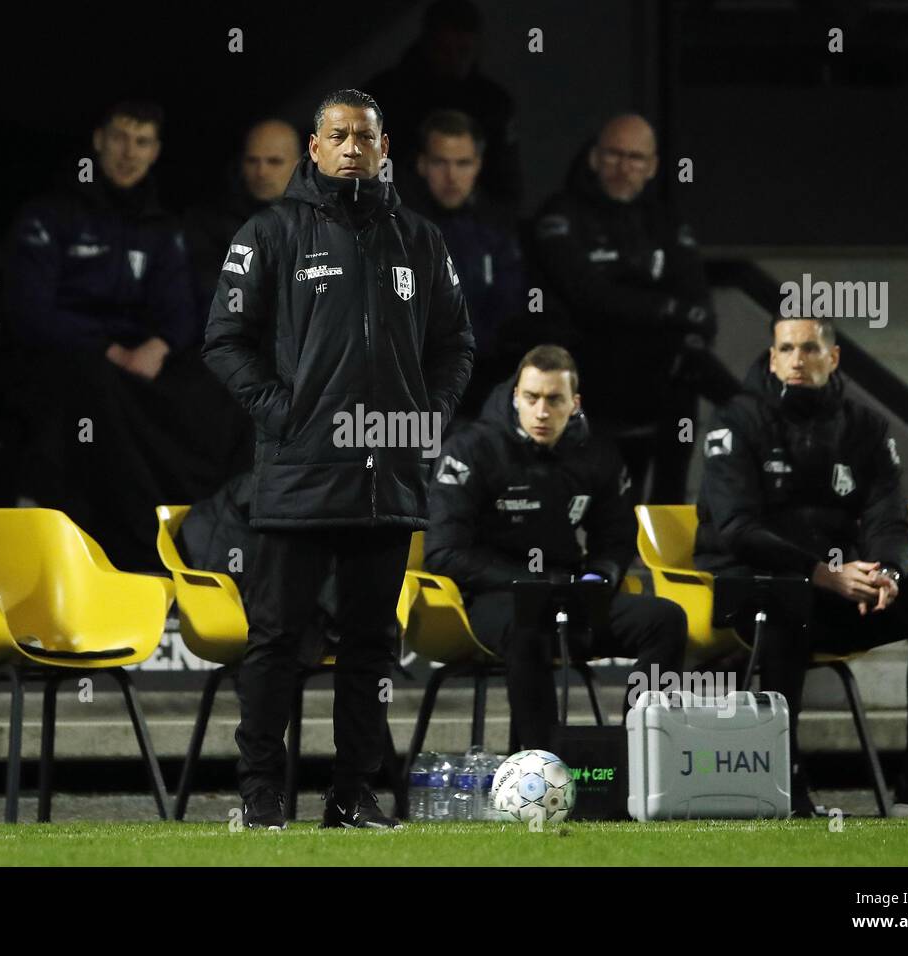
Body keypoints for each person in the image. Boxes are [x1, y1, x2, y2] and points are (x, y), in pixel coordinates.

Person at [202, 89, 475, 829]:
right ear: (313, 149)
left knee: (370, 647)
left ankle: (353, 793)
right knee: (276, 641)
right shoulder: (271, 231)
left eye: (365, 137)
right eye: (337, 137)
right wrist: (286, 416)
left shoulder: (419, 239)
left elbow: (456, 345)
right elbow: (224, 341)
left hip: (388, 479)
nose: (352, 148)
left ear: (385, 150)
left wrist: (429, 415)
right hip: (297, 476)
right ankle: (262, 792)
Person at [695, 314, 908, 818]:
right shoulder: (735, 421)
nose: (795, 361)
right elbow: (738, 529)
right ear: (772, 355)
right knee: (787, 601)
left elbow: (890, 519)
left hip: (839, 591)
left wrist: (888, 573)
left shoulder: (865, 428)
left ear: (833, 357)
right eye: (784, 349)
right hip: (756, 588)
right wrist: (823, 573)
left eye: (808, 349)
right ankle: (785, 777)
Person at [3, 100, 251, 568]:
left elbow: (182, 310)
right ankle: (118, 541)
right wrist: (108, 349)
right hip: (70, 356)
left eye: (142, 142)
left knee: (219, 382)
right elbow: (30, 311)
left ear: (156, 151)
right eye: (119, 138)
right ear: (98, 141)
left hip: (137, 360)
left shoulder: (163, 227)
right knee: (89, 383)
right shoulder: (51, 214)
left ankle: (207, 533)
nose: (128, 152)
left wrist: (158, 346)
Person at [425, 345, 687, 750]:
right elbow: (443, 552)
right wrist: (532, 582)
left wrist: (599, 577)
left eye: (554, 399)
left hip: (571, 590)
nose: (542, 411)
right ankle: (543, 771)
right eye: (531, 398)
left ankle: (640, 756)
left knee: (665, 619)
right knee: (527, 630)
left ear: (574, 403)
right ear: (516, 397)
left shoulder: (596, 453)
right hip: (494, 598)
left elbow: (615, 538)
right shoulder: (471, 449)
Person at [529, 113, 739, 503]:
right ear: (593, 158)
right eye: (613, 155)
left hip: (658, 372)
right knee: (682, 358)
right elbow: (591, 300)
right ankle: (755, 417)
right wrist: (666, 308)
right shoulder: (562, 213)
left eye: (635, 159)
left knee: (685, 360)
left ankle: (669, 515)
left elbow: (701, 310)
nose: (624, 168)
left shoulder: (663, 219)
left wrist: (651, 308)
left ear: (652, 167)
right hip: (589, 366)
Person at [413, 109, 524, 419]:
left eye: (462, 163)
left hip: (486, 380)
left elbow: (510, 307)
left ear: (478, 165)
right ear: (422, 164)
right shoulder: (394, 227)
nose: (452, 176)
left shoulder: (498, 228)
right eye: (440, 162)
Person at [365, 0, 521, 212]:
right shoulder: (387, 96)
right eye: (444, 50)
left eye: (463, 51)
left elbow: (506, 188)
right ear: (428, 44)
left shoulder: (493, 105)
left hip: (473, 225)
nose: (454, 60)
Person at [183, 119, 302, 314]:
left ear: (297, 166)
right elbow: (213, 294)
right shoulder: (208, 221)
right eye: (252, 161)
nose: (262, 172)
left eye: (274, 162)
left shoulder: (323, 220)